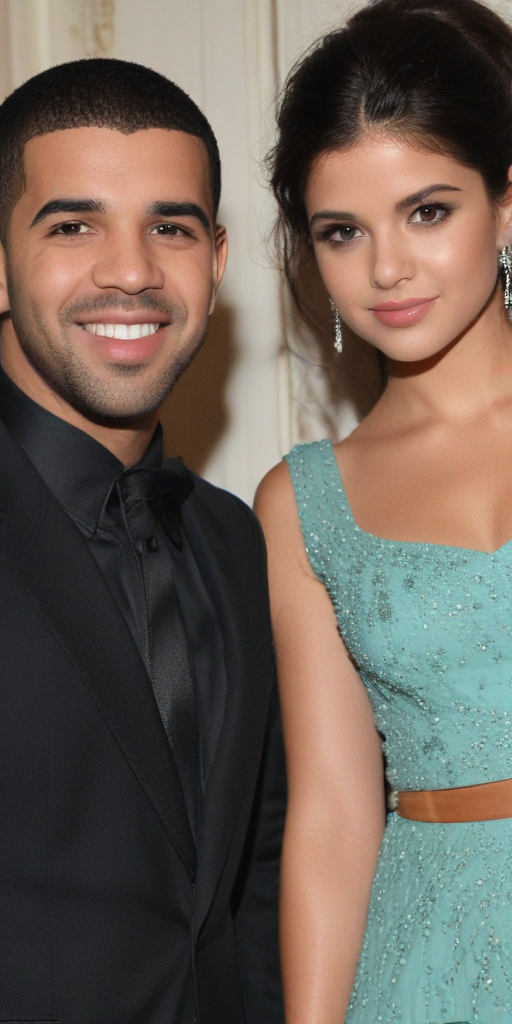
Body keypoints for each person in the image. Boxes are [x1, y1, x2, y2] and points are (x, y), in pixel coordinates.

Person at [0, 58, 285, 1024]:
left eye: (170, 227)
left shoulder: (234, 540)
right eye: (73, 224)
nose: (131, 270)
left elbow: (253, 880)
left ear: (216, 258)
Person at [256, 1, 512, 1021]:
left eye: (426, 210)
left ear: (504, 204)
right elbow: (328, 820)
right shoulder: (303, 502)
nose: (386, 269)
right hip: (425, 963)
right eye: (340, 232)